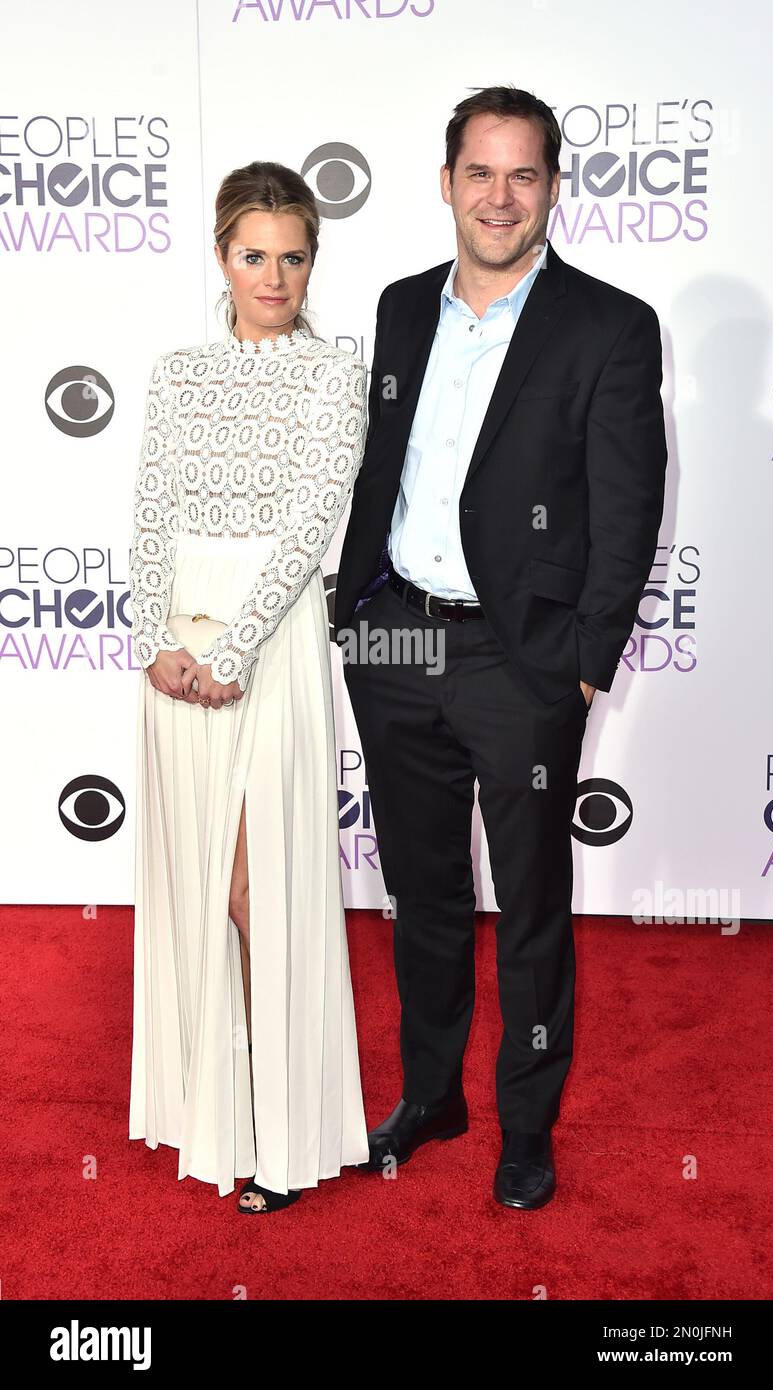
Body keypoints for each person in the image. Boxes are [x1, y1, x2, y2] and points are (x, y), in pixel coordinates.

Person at [334, 87, 667, 1210]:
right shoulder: (395, 309)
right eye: (479, 172)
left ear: (552, 190)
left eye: (522, 175)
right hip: (393, 644)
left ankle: (525, 1123)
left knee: (528, 908)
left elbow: (626, 512)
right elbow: (377, 465)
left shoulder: (607, 326)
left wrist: (582, 661)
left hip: (519, 664)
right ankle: (431, 1093)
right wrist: (352, 613)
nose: (498, 196)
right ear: (444, 184)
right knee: (421, 894)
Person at [129, 161, 370, 1214]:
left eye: (293, 256)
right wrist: (151, 634)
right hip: (175, 648)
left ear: (312, 261)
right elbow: (150, 503)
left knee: (252, 886)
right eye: (253, 254)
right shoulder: (178, 370)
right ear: (221, 256)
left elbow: (315, 519)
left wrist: (230, 651)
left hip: (267, 648)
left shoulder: (334, 369)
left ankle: (289, 1131)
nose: (273, 276)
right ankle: (209, 1110)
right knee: (195, 889)